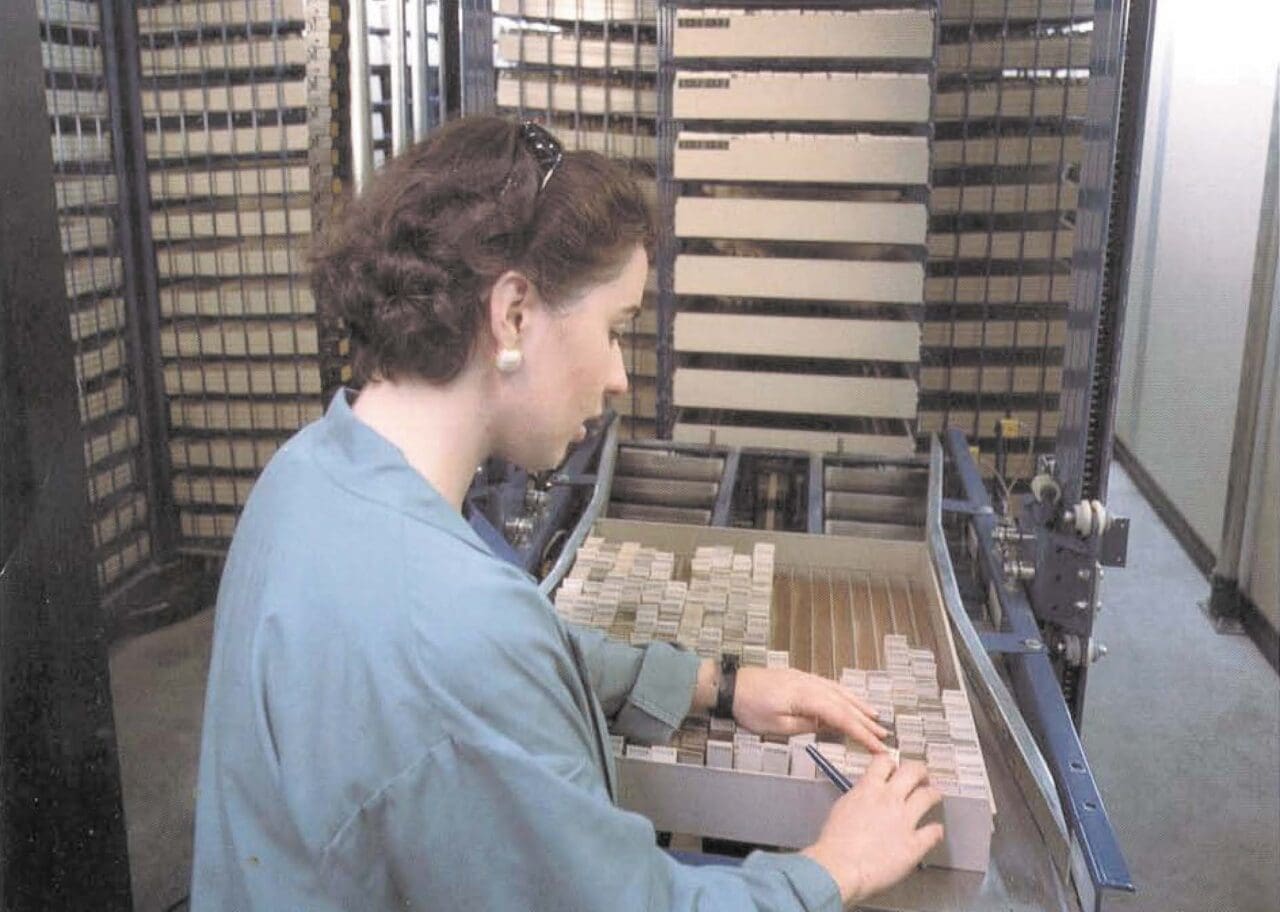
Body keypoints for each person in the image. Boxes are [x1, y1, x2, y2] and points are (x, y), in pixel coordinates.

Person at [190, 115, 943, 911]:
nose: (620, 377)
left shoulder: (310, 471)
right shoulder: (454, 632)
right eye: (615, 330)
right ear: (513, 314)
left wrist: (713, 685)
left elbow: (498, 663)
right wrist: (833, 867)